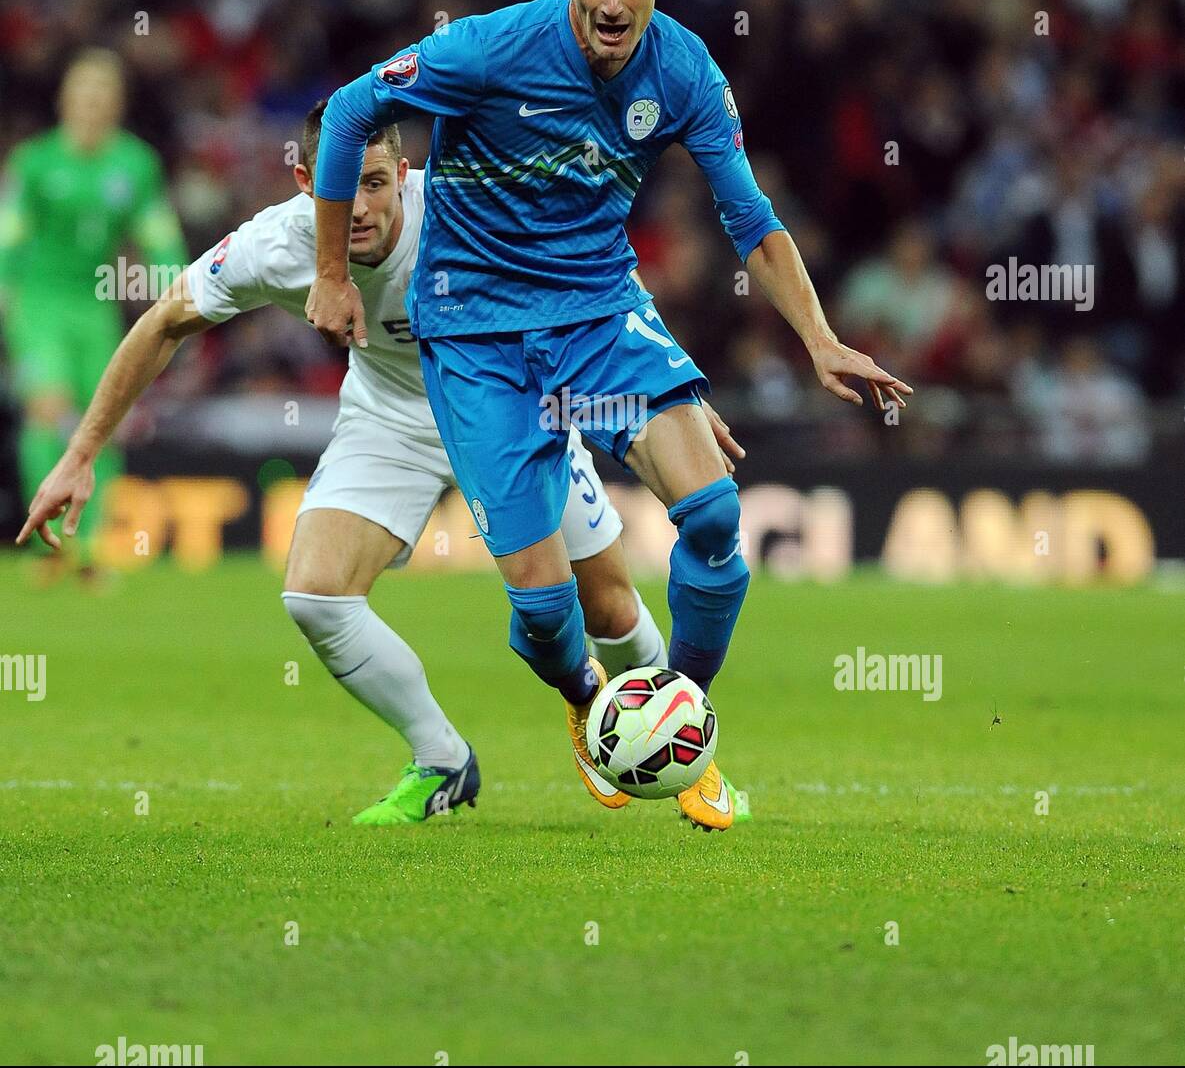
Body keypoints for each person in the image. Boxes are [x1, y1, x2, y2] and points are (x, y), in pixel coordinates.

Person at [307, 0, 911, 831]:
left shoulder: (684, 70)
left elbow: (748, 215)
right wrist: (332, 274)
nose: (612, 4)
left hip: (597, 313)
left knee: (712, 517)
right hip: (473, 336)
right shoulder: (489, 48)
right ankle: (588, 701)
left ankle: (682, 717)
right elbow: (348, 111)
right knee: (547, 613)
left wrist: (819, 338)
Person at [17, 101, 743, 825]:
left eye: (374, 184)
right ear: (303, 181)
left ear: (403, 174)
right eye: (339, 187)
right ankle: (443, 761)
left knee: (609, 607)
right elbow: (165, 319)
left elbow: (593, 275)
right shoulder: (278, 244)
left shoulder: (470, 208)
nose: (359, 207)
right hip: (390, 421)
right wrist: (80, 454)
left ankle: (689, 765)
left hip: (517, 412)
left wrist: (657, 388)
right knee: (314, 595)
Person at [0, 49, 186, 576]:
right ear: (64, 101)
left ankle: (89, 548)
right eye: (82, 94)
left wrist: (176, 290)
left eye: (102, 96)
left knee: (100, 422)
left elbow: (159, 238)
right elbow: (8, 237)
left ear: (117, 105)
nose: (91, 105)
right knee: (47, 410)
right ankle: (48, 551)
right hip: (39, 304)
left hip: (96, 306)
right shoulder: (33, 163)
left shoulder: (135, 164)